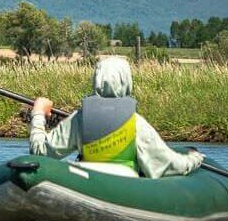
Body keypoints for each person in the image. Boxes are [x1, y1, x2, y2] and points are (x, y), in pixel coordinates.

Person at [30, 55, 204, 178]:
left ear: (95, 80)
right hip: (124, 185)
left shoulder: (79, 119)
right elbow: (169, 165)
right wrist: (194, 159)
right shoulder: (137, 124)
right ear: (127, 82)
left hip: (86, 182)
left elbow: (40, 151)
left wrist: (38, 112)